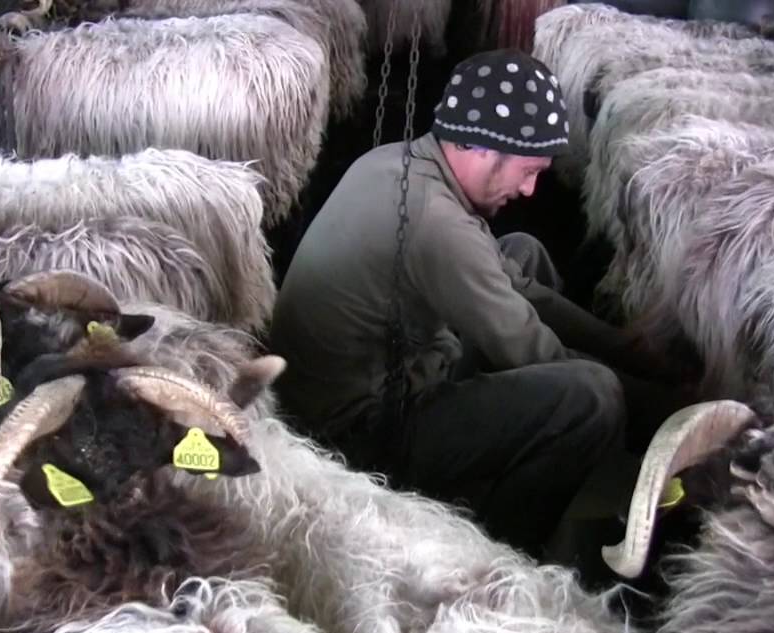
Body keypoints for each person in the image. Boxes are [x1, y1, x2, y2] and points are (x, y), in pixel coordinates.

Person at [269, 49, 686, 559]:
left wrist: (627, 349)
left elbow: (518, 287)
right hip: (357, 436)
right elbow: (534, 354)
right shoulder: (437, 223)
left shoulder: (398, 162)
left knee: (522, 252)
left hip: (368, 381)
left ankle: (530, 448)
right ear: (484, 148)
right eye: (528, 170)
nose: (531, 190)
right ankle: (496, 543)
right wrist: (668, 413)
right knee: (591, 395)